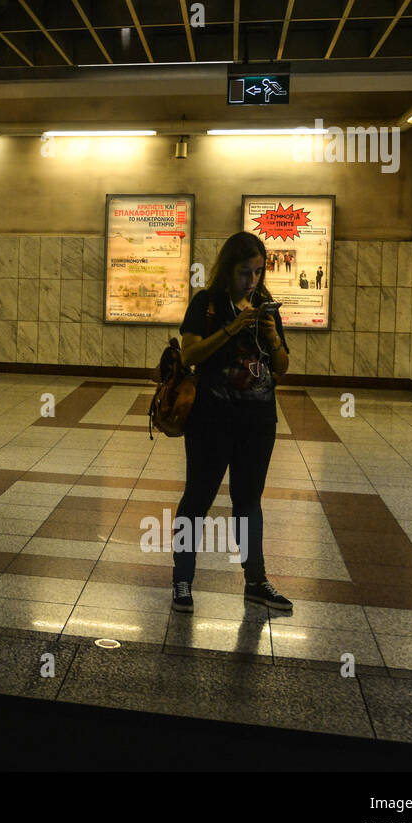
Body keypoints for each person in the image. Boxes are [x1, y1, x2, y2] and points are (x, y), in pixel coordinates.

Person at [171, 231, 292, 614]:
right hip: (211, 419)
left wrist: (272, 339)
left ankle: (256, 580)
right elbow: (190, 354)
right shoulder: (206, 304)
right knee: (197, 499)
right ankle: (182, 580)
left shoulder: (265, 306)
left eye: (258, 272)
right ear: (227, 269)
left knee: (248, 502)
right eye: (244, 272)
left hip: (258, 421)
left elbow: (284, 368)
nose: (252, 281)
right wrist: (232, 329)